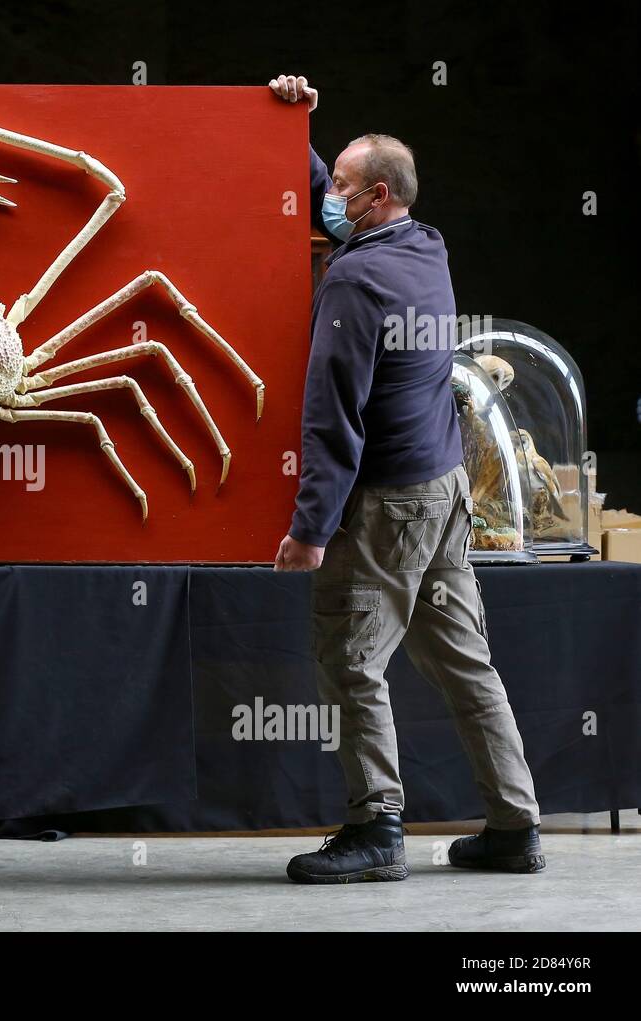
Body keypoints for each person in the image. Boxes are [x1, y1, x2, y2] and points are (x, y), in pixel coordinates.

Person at [269, 76, 544, 883]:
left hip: (388, 503)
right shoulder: (424, 246)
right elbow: (335, 188)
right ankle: (515, 822)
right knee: (465, 660)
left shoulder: (352, 281)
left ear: (377, 195)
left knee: (352, 661)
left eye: (342, 190)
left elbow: (333, 416)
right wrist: (298, 127)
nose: (328, 200)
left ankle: (375, 827)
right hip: (445, 489)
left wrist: (311, 529)